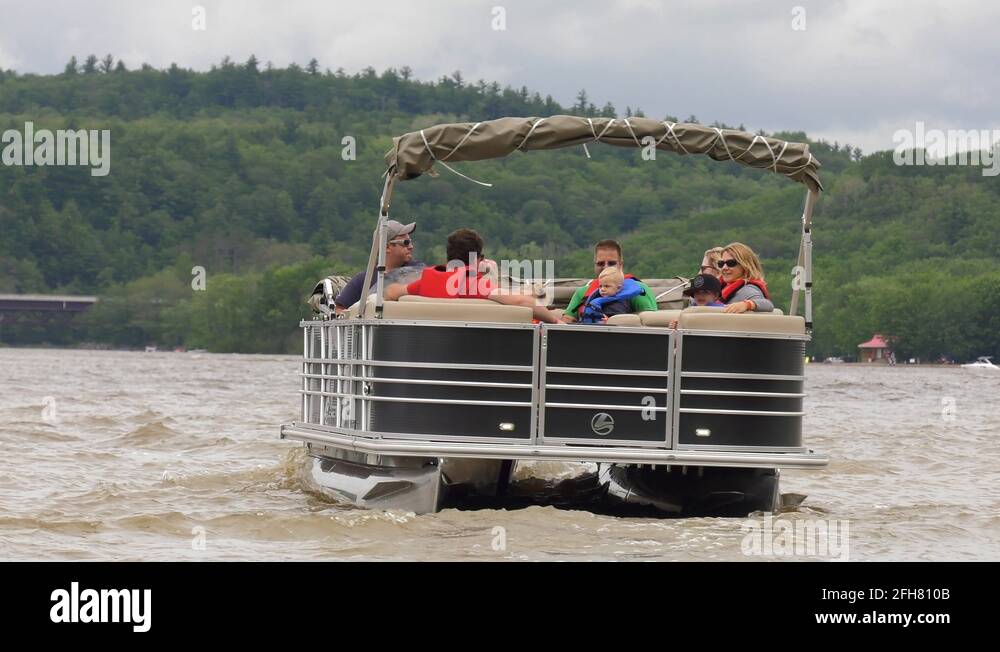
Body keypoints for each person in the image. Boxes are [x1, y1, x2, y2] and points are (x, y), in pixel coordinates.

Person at [384, 228, 563, 323]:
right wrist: (555, 321)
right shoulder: (474, 285)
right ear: (476, 258)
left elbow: (392, 291)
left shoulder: (428, 280)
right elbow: (522, 302)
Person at [332, 220, 422, 313]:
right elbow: (339, 310)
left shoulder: (418, 271)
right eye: (406, 242)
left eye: (410, 241)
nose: (411, 246)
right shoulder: (363, 280)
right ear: (387, 247)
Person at [562, 239, 657, 323]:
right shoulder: (581, 293)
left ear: (621, 264)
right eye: (600, 263)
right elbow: (566, 321)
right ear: (595, 266)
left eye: (611, 263)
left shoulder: (638, 289)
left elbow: (649, 322)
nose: (605, 267)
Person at [717, 242, 774, 313]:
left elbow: (768, 305)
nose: (724, 267)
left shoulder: (747, 290)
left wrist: (746, 305)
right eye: (721, 264)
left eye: (731, 263)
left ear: (745, 266)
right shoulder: (718, 289)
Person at [578, 266, 645, 324]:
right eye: (600, 286)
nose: (602, 289)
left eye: (607, 286)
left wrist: (610, 321)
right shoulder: (599, 298)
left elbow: (619, 319)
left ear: (618, 288)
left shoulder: (620, 303)